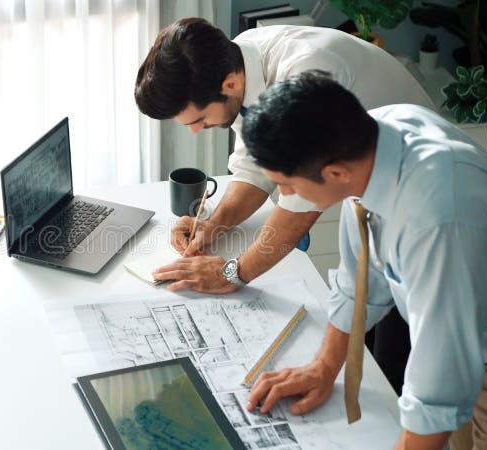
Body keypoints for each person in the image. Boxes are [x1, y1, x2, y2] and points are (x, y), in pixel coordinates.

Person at [241, 70, 487, 449]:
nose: (285, 194)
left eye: (286, 184)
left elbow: (439, 385)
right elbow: (360, 279)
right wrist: (323, 367)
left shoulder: (438, 219)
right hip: (475, 353)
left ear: (334, 172)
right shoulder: (375, 139)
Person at [135, 18, 434, 294]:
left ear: (230, 85)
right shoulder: (237, 61)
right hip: (371, 193)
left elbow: (301, 202)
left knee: (407, 322)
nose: (197, 131)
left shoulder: (309, 72)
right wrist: (214, 225)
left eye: (198, 120)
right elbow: (254, 165)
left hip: (423, 192)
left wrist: (230, 273)